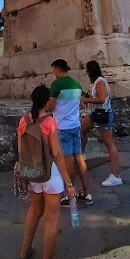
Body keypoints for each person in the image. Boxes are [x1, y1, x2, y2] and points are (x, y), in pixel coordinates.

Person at [18, 85, 76, 259]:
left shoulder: (23, 121)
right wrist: (69, 183)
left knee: (35, 210)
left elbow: (21, 150)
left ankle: (24, 251)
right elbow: (58, 155)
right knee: (51, 219)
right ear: (47, 101)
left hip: (32, 172)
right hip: (50, 174)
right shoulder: (50, 122)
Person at [48, 59, 93, 206]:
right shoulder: (76, 84)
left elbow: (50, 105)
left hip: (62, 127)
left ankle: (70, 193)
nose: (54, 73)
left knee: (67, 160)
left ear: (58, 69)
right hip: (75, 125)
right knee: (79, 158)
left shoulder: (57, 84)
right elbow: (81, 104)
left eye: (54, 70)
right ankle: (87, 193)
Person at [81, 60, 122, 187]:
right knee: (81, 129)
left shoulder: (100, 82)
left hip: (102, 113)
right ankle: (80, 157)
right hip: (95, 113)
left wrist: (85, 99)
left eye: (87, 70)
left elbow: (101, 98)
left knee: (108, 142)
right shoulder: (94, 83)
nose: (86, 72)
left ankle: (115, 175)